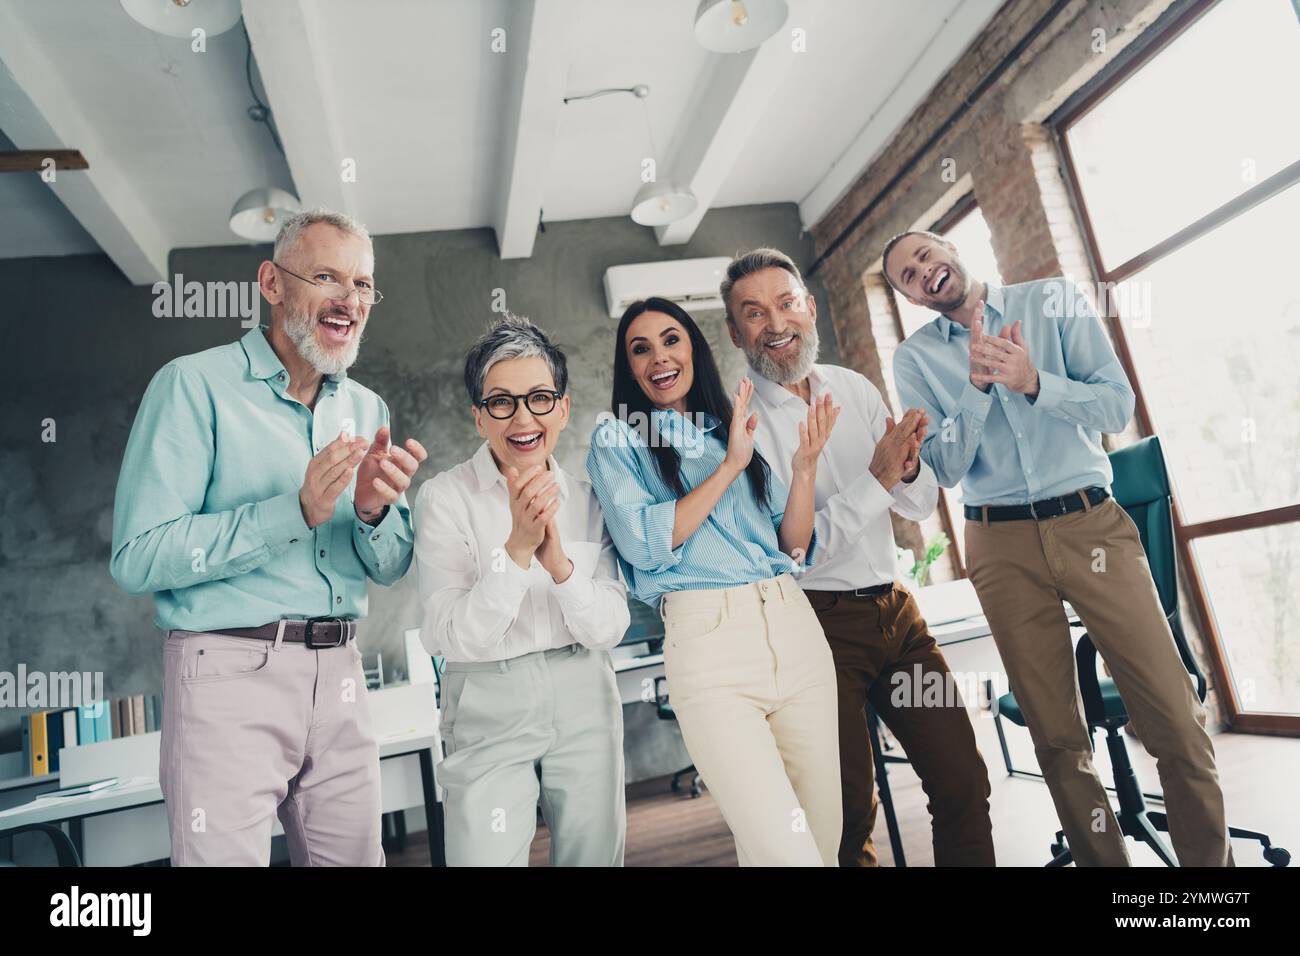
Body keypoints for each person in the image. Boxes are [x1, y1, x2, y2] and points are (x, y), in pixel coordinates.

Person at [887, 229, 1232, 866]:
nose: (923, 271)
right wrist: (979, 388)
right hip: (998, 541)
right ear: (909, 296)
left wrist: (1033, 380)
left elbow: (1115, 407)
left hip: (1089, 524)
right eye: (907, 274)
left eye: (926, 254)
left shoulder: (1051, 301)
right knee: (1056, 735)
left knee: (1175, 719)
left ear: (949, 247)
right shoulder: (914, 362)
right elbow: (945, 466)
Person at [110, 209, 427, 866]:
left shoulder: (367, 411)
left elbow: (392, 566)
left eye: (363, 285)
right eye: (326, 277)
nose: (350, 299)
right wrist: (295, 511)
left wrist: (370, 513)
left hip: (341, 672)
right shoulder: (192, 387)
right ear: (272, 283)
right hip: (227, 672)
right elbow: (138, 558)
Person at [720, 247, 995, 867]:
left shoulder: (853, 387)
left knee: (962, 782)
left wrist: (909, 461)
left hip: (897, 616)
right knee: (843, 816)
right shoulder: (739, 426)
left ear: (810, 309)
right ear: (736, 332)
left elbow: (918, 504)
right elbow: (793, 553)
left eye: (787, 303)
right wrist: (877, 478)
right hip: (817, 631)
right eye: (755, 313)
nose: (777, 322)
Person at [587, 296, 842, 866]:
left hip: (792, 625)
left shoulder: (729, 429)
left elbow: (793, 546)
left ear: (694, 350)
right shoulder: (617, 441)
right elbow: (646, 542)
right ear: (628, 368)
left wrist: (804, 469)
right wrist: (730, 464)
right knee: (785, 851)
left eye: (671, 340)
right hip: (710, 646)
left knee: (822, 837)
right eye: (641, 348)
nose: (659, 357)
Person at [415, 313, 629, 866]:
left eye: (539, 397)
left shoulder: (588, 496)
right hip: (486, 695)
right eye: (501, 402)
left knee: (593, 856)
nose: (522, 417)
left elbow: (610, 626)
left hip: (583, 685)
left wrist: (558, 564)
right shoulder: (444, 500)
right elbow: (446, 637)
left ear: (562, 406)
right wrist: (514, 553)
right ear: (479, 417)